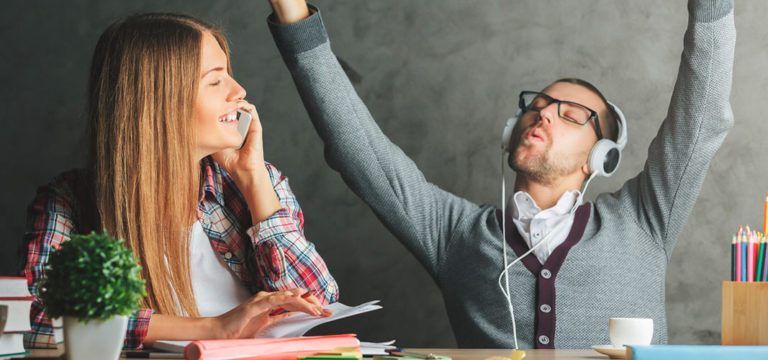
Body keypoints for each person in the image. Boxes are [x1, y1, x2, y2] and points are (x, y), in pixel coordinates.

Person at [266, 0, 735, 349]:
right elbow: (359, 152)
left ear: (602, 156)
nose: (544, 116)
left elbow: (702, 121)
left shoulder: (643, 222)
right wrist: (294, 16)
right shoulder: (454, 234)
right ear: (513, 130)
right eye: (536, 106)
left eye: (571, 114)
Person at [20, 12, 338, 349]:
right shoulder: (70, 200)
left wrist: (253, 178)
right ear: (159, 102)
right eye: (216, 81)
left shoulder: (261, 182)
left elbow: (320, 301)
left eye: (229, 75)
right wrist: (214, 329)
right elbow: (37, 317)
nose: (239, 90)